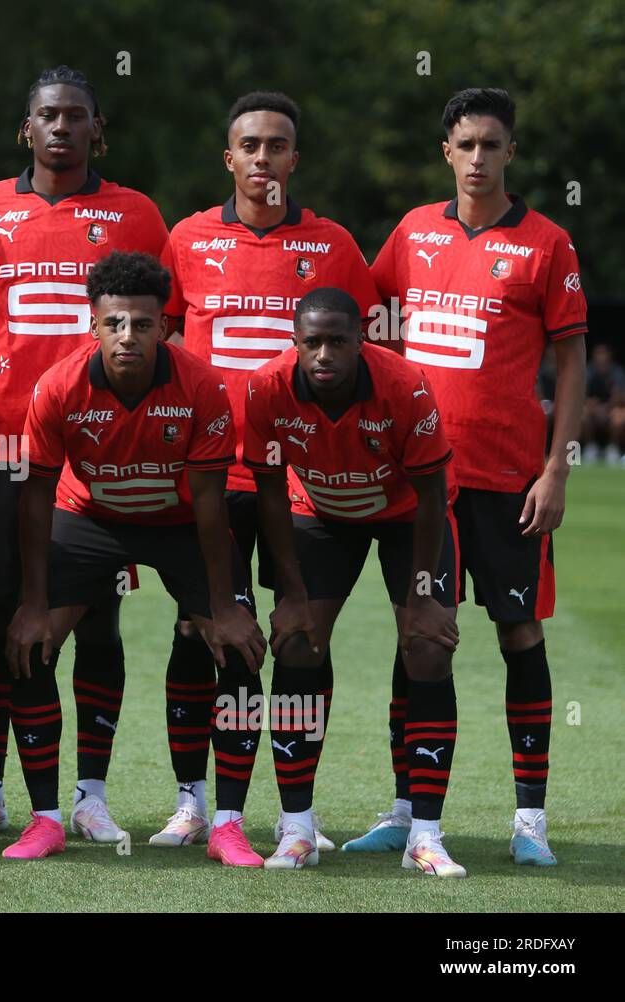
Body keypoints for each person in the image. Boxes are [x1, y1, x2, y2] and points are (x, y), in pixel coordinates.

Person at [364, 88, 587, 866]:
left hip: (508, 481)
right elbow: (366, 322)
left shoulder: (547, 243)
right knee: (420, 637)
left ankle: (531, 822)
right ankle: (406, 811)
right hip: (425, 485)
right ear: (447, 152)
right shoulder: (413, 233)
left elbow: (572, 360)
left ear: (511, 154)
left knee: (519, 633)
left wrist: (556, 469)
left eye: (494, 144)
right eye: (468, 144)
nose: (480, 158)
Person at [155, 91, 379, 851]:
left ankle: (298, 817)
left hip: (302, 486)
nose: (262, 158)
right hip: (209, 479)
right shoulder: (186, 239)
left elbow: (367, 355)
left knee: (299, 641)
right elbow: (161, 352)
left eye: (276, 145)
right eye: (248, 145)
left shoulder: (337, 247)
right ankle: (198, 804)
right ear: (229, 158)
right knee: (201, 637)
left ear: (294, 159)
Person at [0, 64, 169, 844]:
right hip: (9, 453)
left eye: (76, 116)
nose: (61, 128)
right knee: (10, 618)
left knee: (99, 625)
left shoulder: (138, 213)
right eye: (47, 114)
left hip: (99, 458)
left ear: (95, 128)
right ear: (26, 127)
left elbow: (156, 327)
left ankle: (91, 792)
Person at [7, 250, 265, 860]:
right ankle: (46, 817)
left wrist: (223, 606)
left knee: (240, 651)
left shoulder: (201, 385)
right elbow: (36, 500)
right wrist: (33, 602)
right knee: (30, 646)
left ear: (165, 327)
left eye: (143, 325)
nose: (129, 337)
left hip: (179, 524)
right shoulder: (58, 386)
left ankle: (226, 822)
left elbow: (209, 505)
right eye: (115, 323)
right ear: (93, 325)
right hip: (89, 519)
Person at [245, 287, 465, 875]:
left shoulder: (405, 386)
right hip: (319, 514)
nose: (324, 354)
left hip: (406, 519)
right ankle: (296, 829)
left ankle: (424, 833)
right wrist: (289, 594)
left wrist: (422, 598)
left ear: (360, 341)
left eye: (337, 340)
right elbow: (268, 493)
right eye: (311, 341)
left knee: (426, 650)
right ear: (294, 344)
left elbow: (431, 498)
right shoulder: (266, 388)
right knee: (296, 644)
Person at [582, 343, 625, 462]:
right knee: (582, 413)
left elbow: (620, 396)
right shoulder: (588, 371)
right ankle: (591, 447)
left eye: (603, 354)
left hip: (611, 409)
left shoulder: (617, 372)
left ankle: (613, 447)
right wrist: (593, 406)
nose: (601, 357)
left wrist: (607, 407)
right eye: (598, 354)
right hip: (593, 410)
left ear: (609, 356)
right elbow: (581, 395)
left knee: (619, 416)